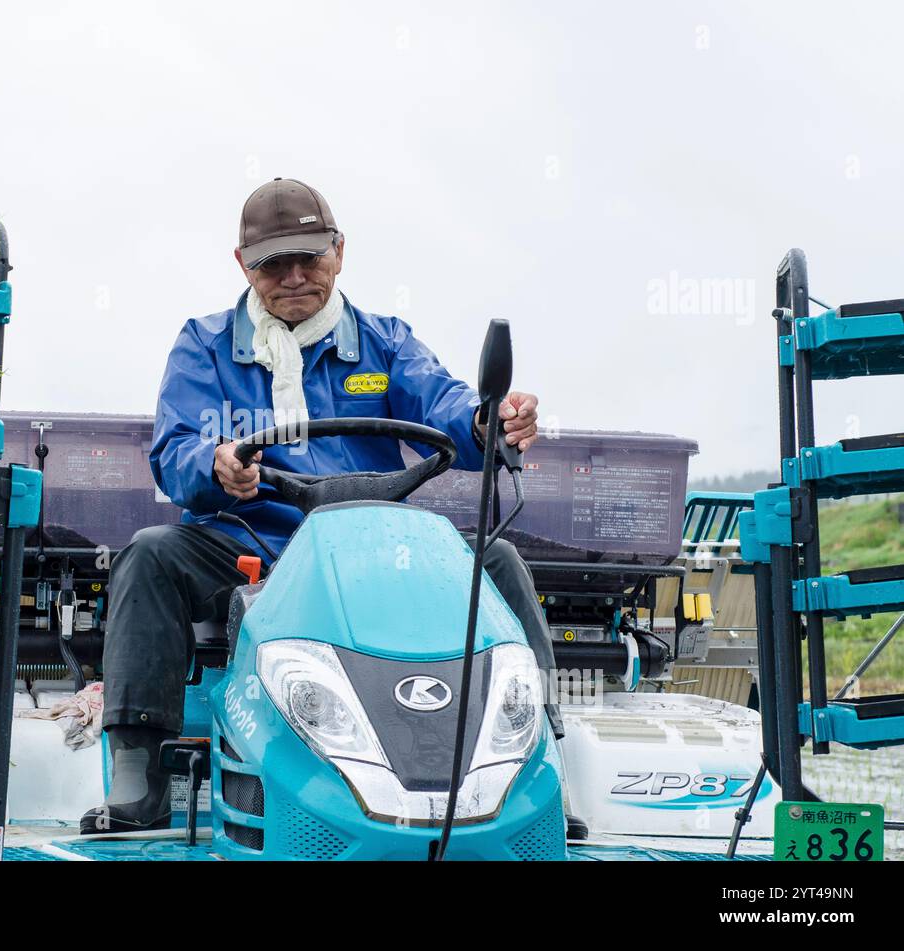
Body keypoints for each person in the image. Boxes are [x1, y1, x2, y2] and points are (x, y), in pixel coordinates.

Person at [81, 178, 556, 834]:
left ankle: (542, 762)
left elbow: (446, 406)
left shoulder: (387, 343)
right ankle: (139, 776)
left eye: (311, 257)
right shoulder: (204, 345)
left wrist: (490, 422)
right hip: (253, 550)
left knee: (497, 561)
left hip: (372, 556)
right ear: (243, 265)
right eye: (276, 263)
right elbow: (174, 451)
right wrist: (215, 466)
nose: (296, 275)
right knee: (149, 554)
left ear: (340, 250)